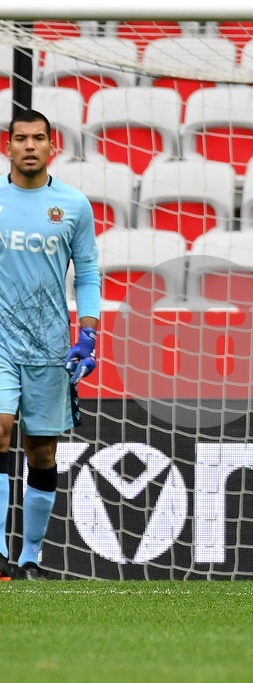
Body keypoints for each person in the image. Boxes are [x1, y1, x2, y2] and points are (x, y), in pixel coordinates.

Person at [0, 109, 100, 580]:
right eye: (21, 138)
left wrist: (89, 333)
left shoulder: (73, 205)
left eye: (38, 138)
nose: (29, 146)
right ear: (8, 147)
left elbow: (88, 272)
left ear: (51, 146)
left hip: (49, 346)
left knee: (40, 452)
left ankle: (30, 558)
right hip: (1, 341)